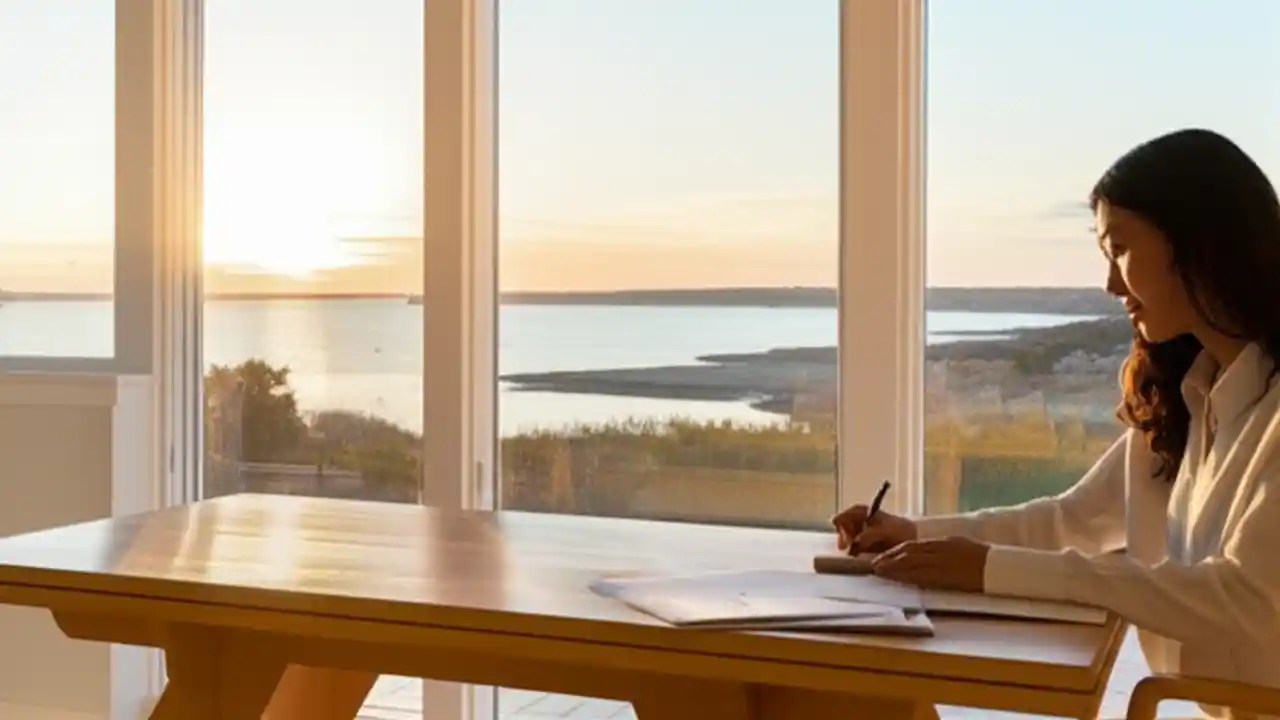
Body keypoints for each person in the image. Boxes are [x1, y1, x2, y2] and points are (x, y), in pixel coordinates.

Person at [832, 128, 1280, 716]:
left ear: (1197, 241)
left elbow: (1247, 598)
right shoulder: (1187, 400)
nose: (1111, 284)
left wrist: (996, 570)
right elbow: (1074, 519)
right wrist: (915, 535)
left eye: (1119, 249)